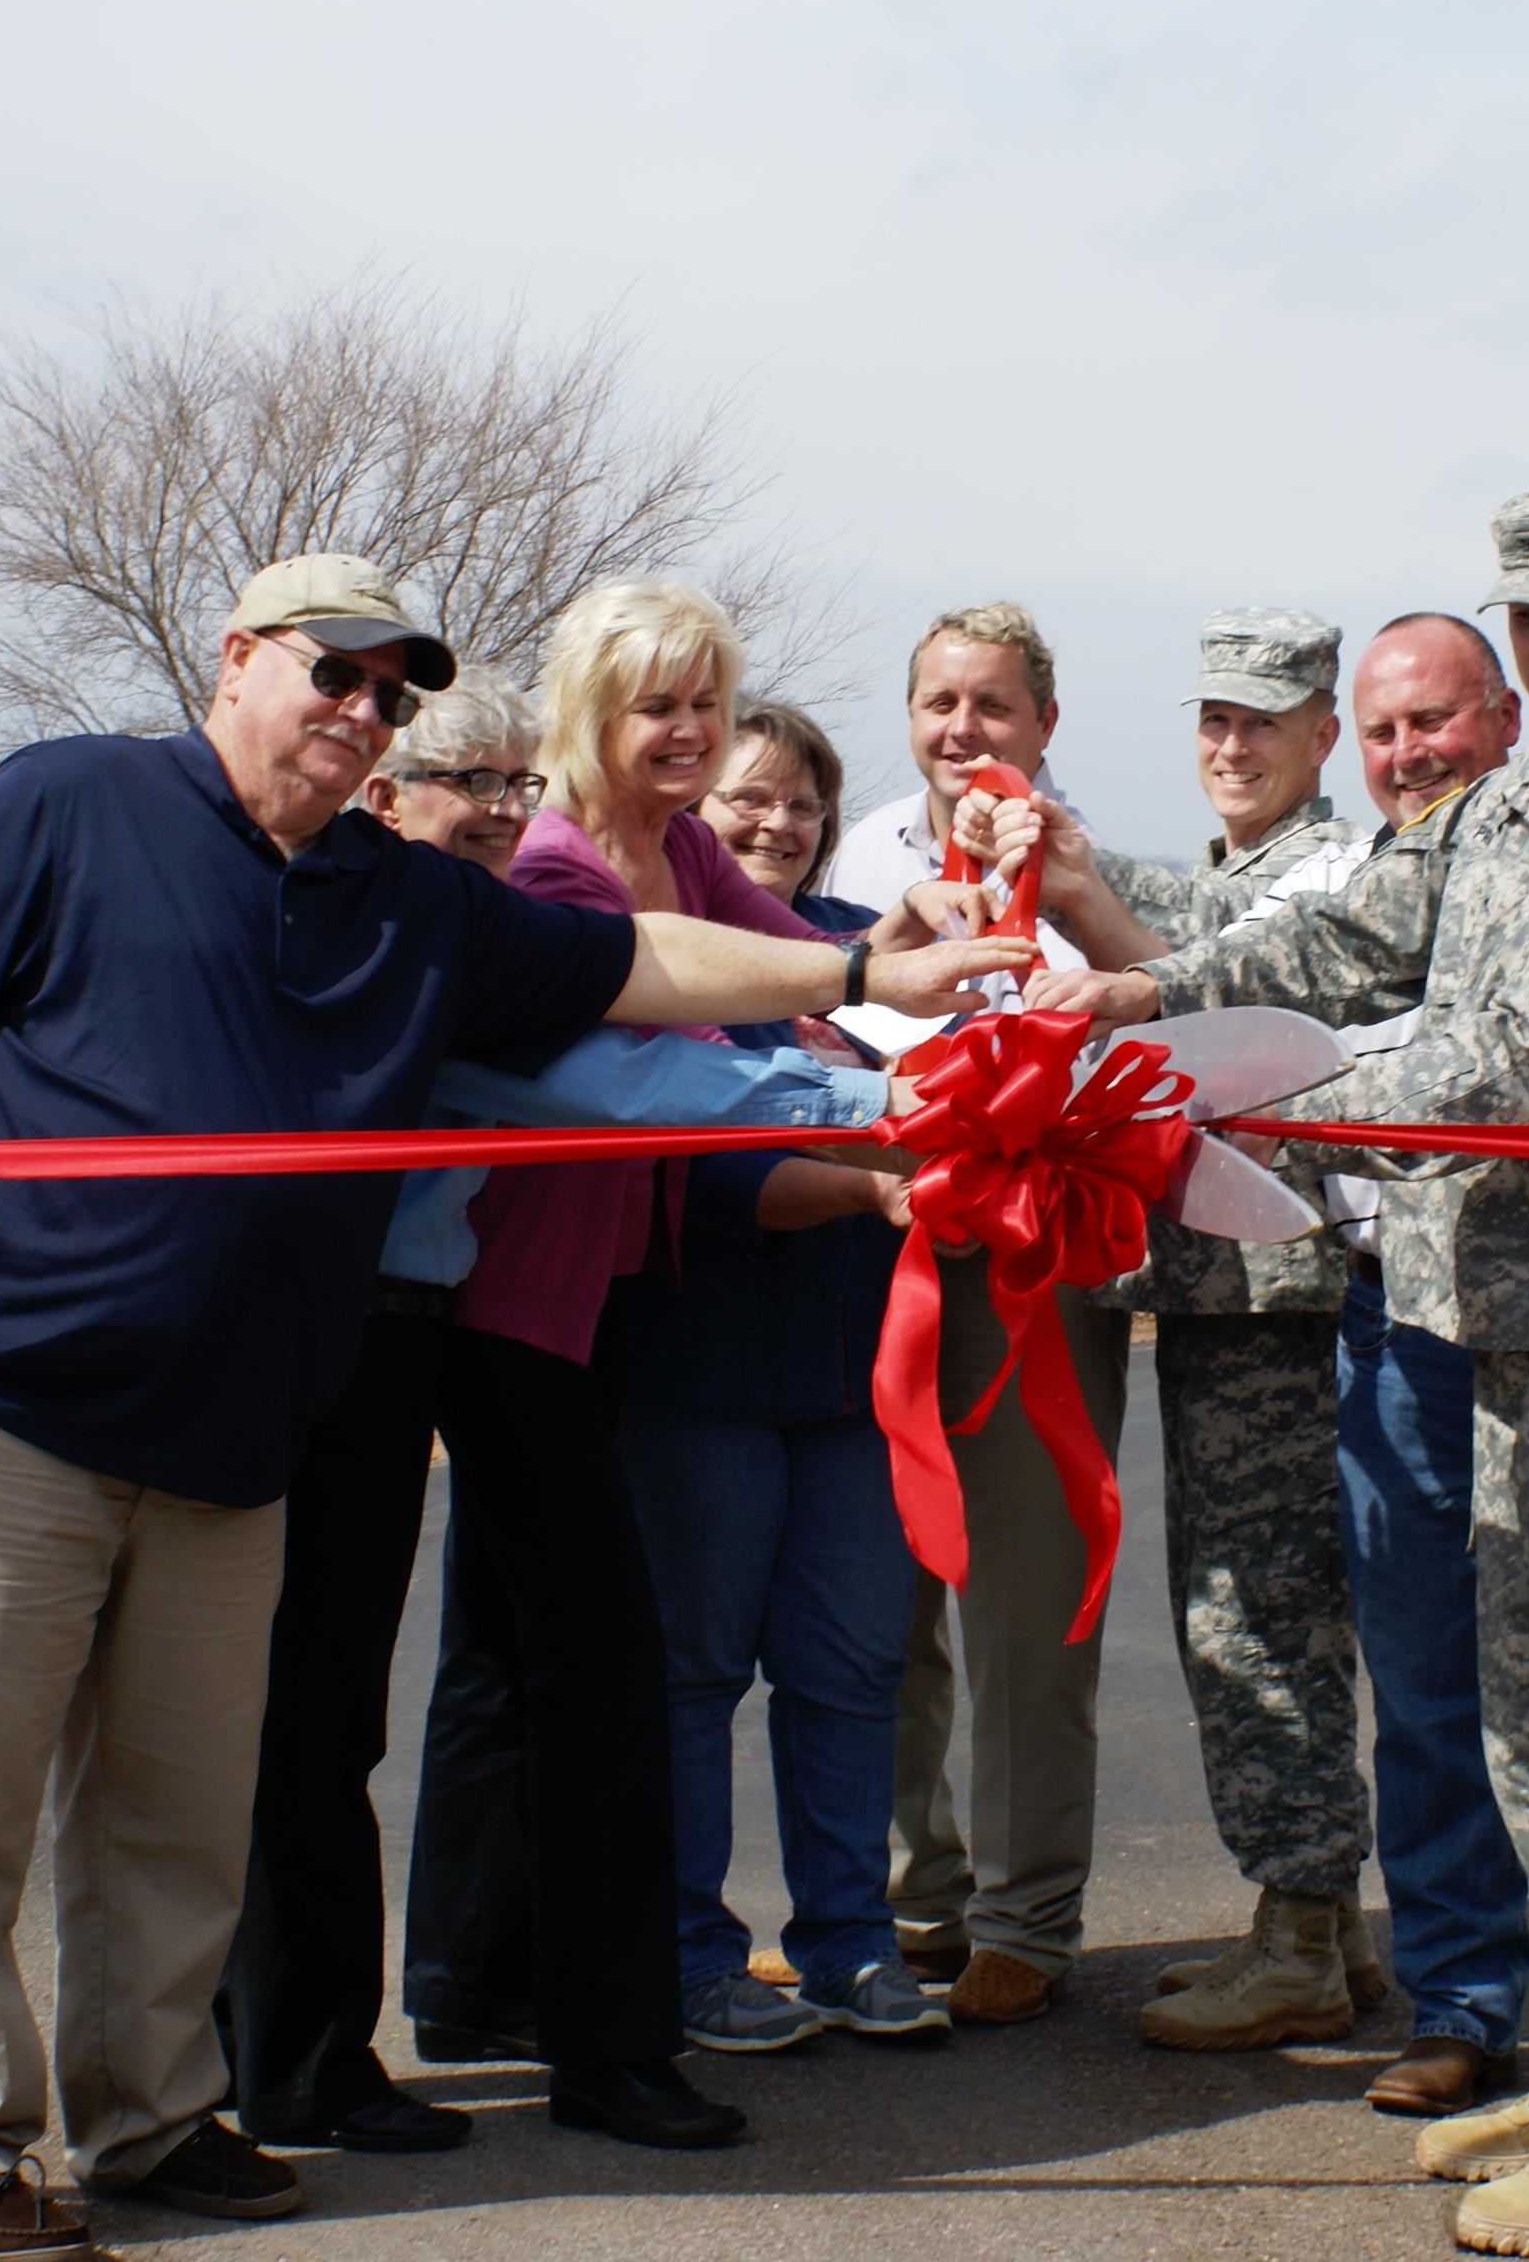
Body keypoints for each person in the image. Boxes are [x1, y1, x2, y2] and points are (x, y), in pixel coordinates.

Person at [0, 555, 1026, 2259]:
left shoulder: (410, 897)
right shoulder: (69, 800)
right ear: (238, 661)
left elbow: (638, 969)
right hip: (6, 1383)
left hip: (239, 1423)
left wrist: (866, 982)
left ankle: (155, 2117)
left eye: (391, 692)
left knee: (178, 1801)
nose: (360, 711)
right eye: (335, 675)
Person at [1027, 478, 1529, 2256]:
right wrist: (1153, 1005)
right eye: (1525, 614)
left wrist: (1235, 1091)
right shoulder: (1517, 797)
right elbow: (1350, 934)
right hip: (1507, 1319)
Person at [216, 668, 904, 2159]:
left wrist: (880, 1045)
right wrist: (881, 1110)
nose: (502, 811)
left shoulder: (475, 911)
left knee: (568, 1661)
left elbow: (654, 987)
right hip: (354, 1328)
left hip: (463, 1310)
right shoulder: (373, 909)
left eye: (516, 784)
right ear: (391, 792)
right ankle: (300, 2055)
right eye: (469, 780)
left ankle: (579, 2029)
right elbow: (615, 1073)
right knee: (329, 1694)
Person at [401, 580, 970, 2152]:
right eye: (659, 704)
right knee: (584, 1670)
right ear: (590, 708)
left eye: (707, 702)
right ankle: (614, 2020)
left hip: (599, 1305)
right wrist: (875, 1101)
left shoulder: (688, 846)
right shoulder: (568, 870)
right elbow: (661, 1060)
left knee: (516, 1660)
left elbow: (799, 962)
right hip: (526, 1304)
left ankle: (474, 1979)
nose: (689, 732)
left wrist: (905, 966)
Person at [1015, 610, 1382, 2053]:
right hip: (1222, 1289)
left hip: (1278, 1296)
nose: (1232, 745)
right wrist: (1051, 865)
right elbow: (1155, 909)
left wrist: (1090, 908)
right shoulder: (1240, 868)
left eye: (1264, 720)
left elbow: (1224, 993)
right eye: (1213, 720)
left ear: (1321, 737)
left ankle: (1301, 1929)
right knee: (1241, 1601)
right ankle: (1320, 1926)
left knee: (1261, 1608)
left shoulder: (1337, 871)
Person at [599, 699, 946, 2054]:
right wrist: (876, 1188)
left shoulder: (853, 972)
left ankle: (852, 1946)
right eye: (749, 798)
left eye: (802, 802)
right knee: (694, 1675)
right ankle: (692, 1954)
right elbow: (708, 1164)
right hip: (697, 1377)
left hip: (853, 1384)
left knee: (851, 1667)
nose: (777, 823)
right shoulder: (669, 964)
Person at [823, 603, 1142, 2026]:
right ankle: (919, 1898)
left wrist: (1073, 911)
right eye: (940, 702)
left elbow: (1152, 1040)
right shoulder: (861, 860)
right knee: (883, 1599)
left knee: (1020, 1597)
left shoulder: (1083, 862)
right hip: (878, 1243)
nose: (965, 731)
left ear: (1044, 725)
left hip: (1031, 1261)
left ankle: (1026, 1911)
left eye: (994, 707)